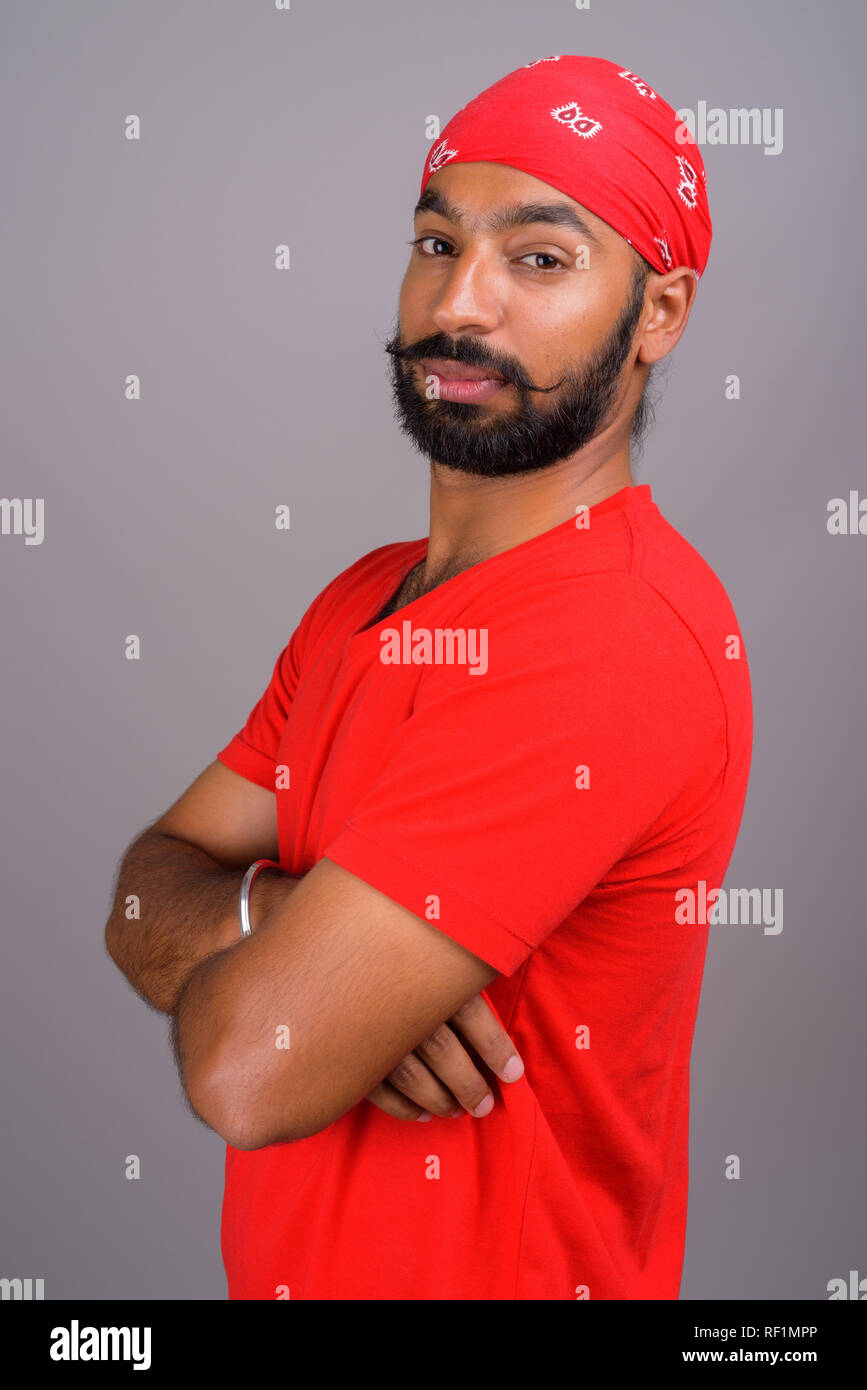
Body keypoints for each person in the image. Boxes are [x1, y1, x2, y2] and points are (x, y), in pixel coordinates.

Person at [105, 55, 752, 1300]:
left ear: (659, 313)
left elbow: (245, 1068)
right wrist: (292, 928)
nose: (460, 305)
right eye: (434, 241)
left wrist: (275, 986)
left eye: (539, 258)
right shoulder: (364, 597)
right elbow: (140, 897)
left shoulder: (611, 633)